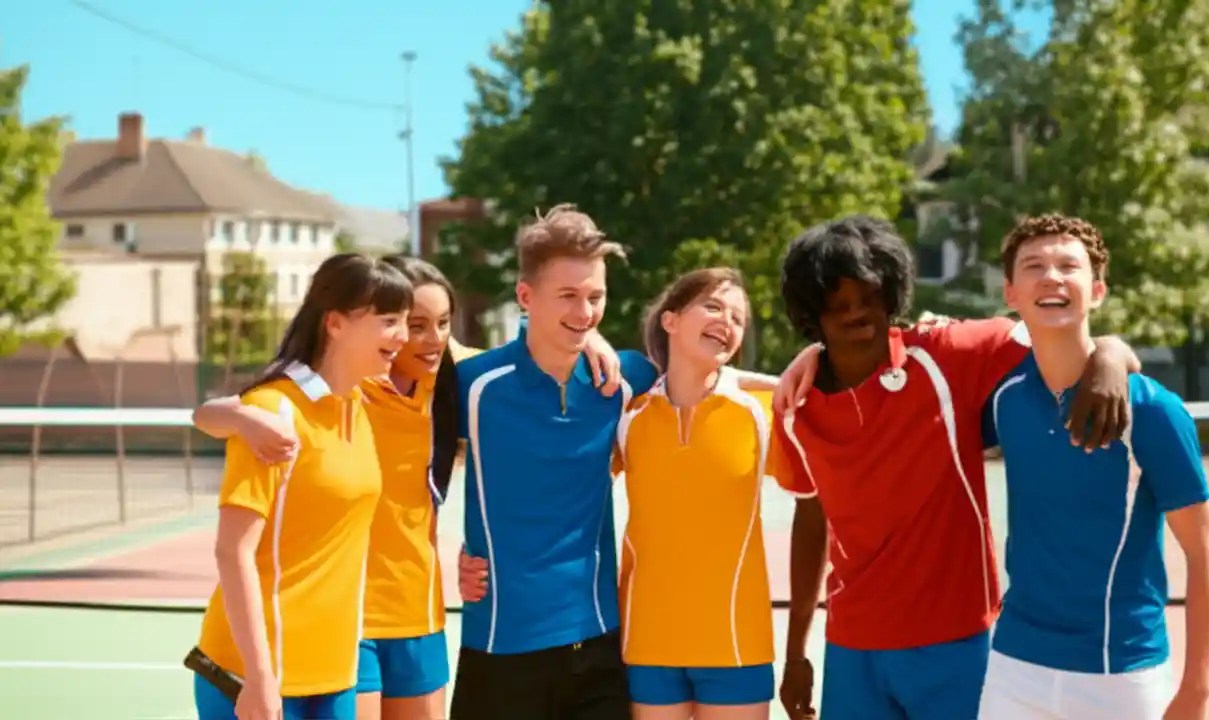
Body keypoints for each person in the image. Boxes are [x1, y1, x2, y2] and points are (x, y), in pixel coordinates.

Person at [191, 256, 626, 720]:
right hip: (345, 628)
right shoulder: (347, 391)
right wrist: (233, 416)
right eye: (407, 323)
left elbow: (542, 345)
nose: (426, 337)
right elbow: (238, 409)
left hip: (416, 616)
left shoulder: (450, 381)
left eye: (440, 324)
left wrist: (588, 333)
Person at [767, 215, 1140, 720]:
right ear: (812, 310)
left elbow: (1057, 333)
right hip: (853, 647)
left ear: (891, 290)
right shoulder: (795, 406)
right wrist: (796, 655)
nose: (855, 309)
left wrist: (1113, 354)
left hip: (959, 642)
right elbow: (811, 521)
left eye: (869, 292)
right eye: (836, 299)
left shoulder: (947, 355)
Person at [449, 205, 778, 720]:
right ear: (524, 297)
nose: (584, 312)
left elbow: (701, 372)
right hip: (500, 644)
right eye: (568, 296)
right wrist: (449, 558)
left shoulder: (623, 381)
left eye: (595, 297)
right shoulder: (472, 383)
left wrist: (786, 377)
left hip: (601, 646)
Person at [977, 213, 1209, 720]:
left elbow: (1205, 551)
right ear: (1011, 293)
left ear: (1097, 291)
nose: (1052, 276)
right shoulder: (1002, 399)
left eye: (1070, 265)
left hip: (1121, 674)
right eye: (1034, 265)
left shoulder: (1152, 411)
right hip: (1013, 666)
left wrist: (1197, 690)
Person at [189, 253, 412, 720]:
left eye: (405, 321)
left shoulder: (361, 403)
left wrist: (588, 337)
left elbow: (462, 353)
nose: (404, 337)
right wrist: (260, 677)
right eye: (389, 321)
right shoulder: (273, 413)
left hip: (334, 674)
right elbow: (233, 551)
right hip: (255, 678)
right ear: (335, 323)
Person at [615, 267, 777, 720]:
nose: (727, 321)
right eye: (713, 306)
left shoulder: (762, 413)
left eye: (738, 318)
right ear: (670, 320)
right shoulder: (630, 415)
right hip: (646, 642)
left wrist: (780, 384)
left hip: (735, 643)